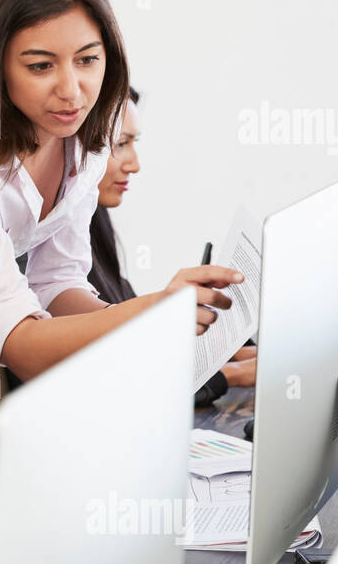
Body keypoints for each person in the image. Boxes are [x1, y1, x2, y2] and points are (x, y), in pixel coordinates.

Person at [0, 0, 243, 478]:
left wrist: (152, 325)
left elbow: (57, 283)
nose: (72, 90)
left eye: (88, 60)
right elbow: (20, 344)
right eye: (40, 66)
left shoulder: (86, 139)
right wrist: (150, 315)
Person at [88, 88, 257, 404]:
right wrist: (231, 374)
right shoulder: (45, 253)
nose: (135, 164)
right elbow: (108, 380)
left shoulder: (94, 219)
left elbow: (127, 337)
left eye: (133, 143)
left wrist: (219, 351)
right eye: (121, 144)